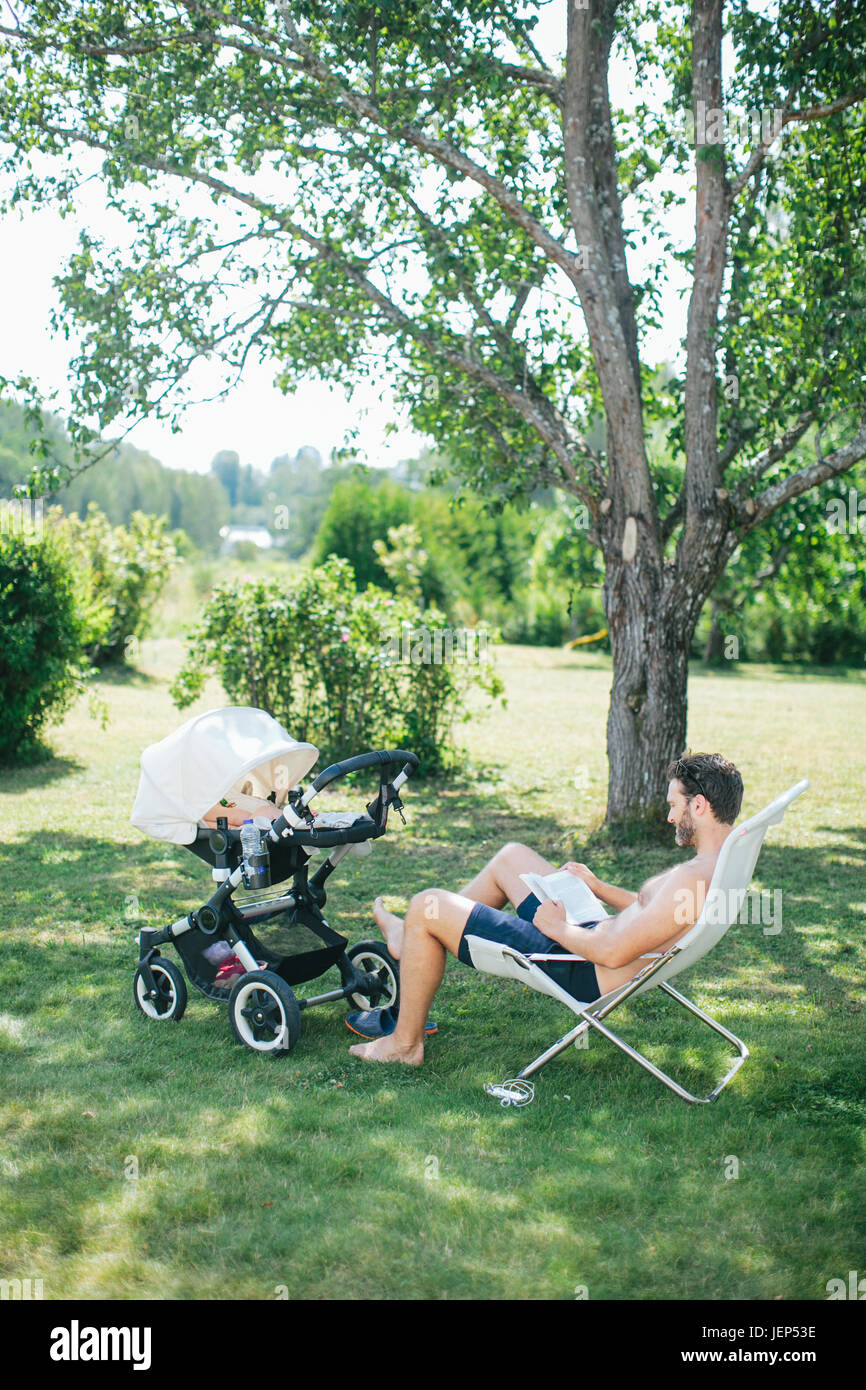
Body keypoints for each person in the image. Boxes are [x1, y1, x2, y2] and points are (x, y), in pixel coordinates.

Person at [348, 753, 744, 1066]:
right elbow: (652, 911)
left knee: (426, 905)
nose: (670, 815)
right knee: (511, 858)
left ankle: (404, 1043)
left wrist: (557, 927)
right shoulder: (718, 866)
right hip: (592, 935)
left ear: (701, 806)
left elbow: (612, 953)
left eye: (675, 805)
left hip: (579, 963)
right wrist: (600, 888)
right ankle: (409, 939)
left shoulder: (692, 879)